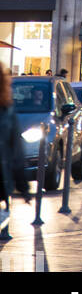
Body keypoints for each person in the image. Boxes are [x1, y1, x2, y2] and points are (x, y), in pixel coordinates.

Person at [0, 65, 30, 237]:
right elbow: (17, 152)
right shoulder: (6, 112)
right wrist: (23, 187)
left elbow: (16, 151)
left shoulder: (7, 111)